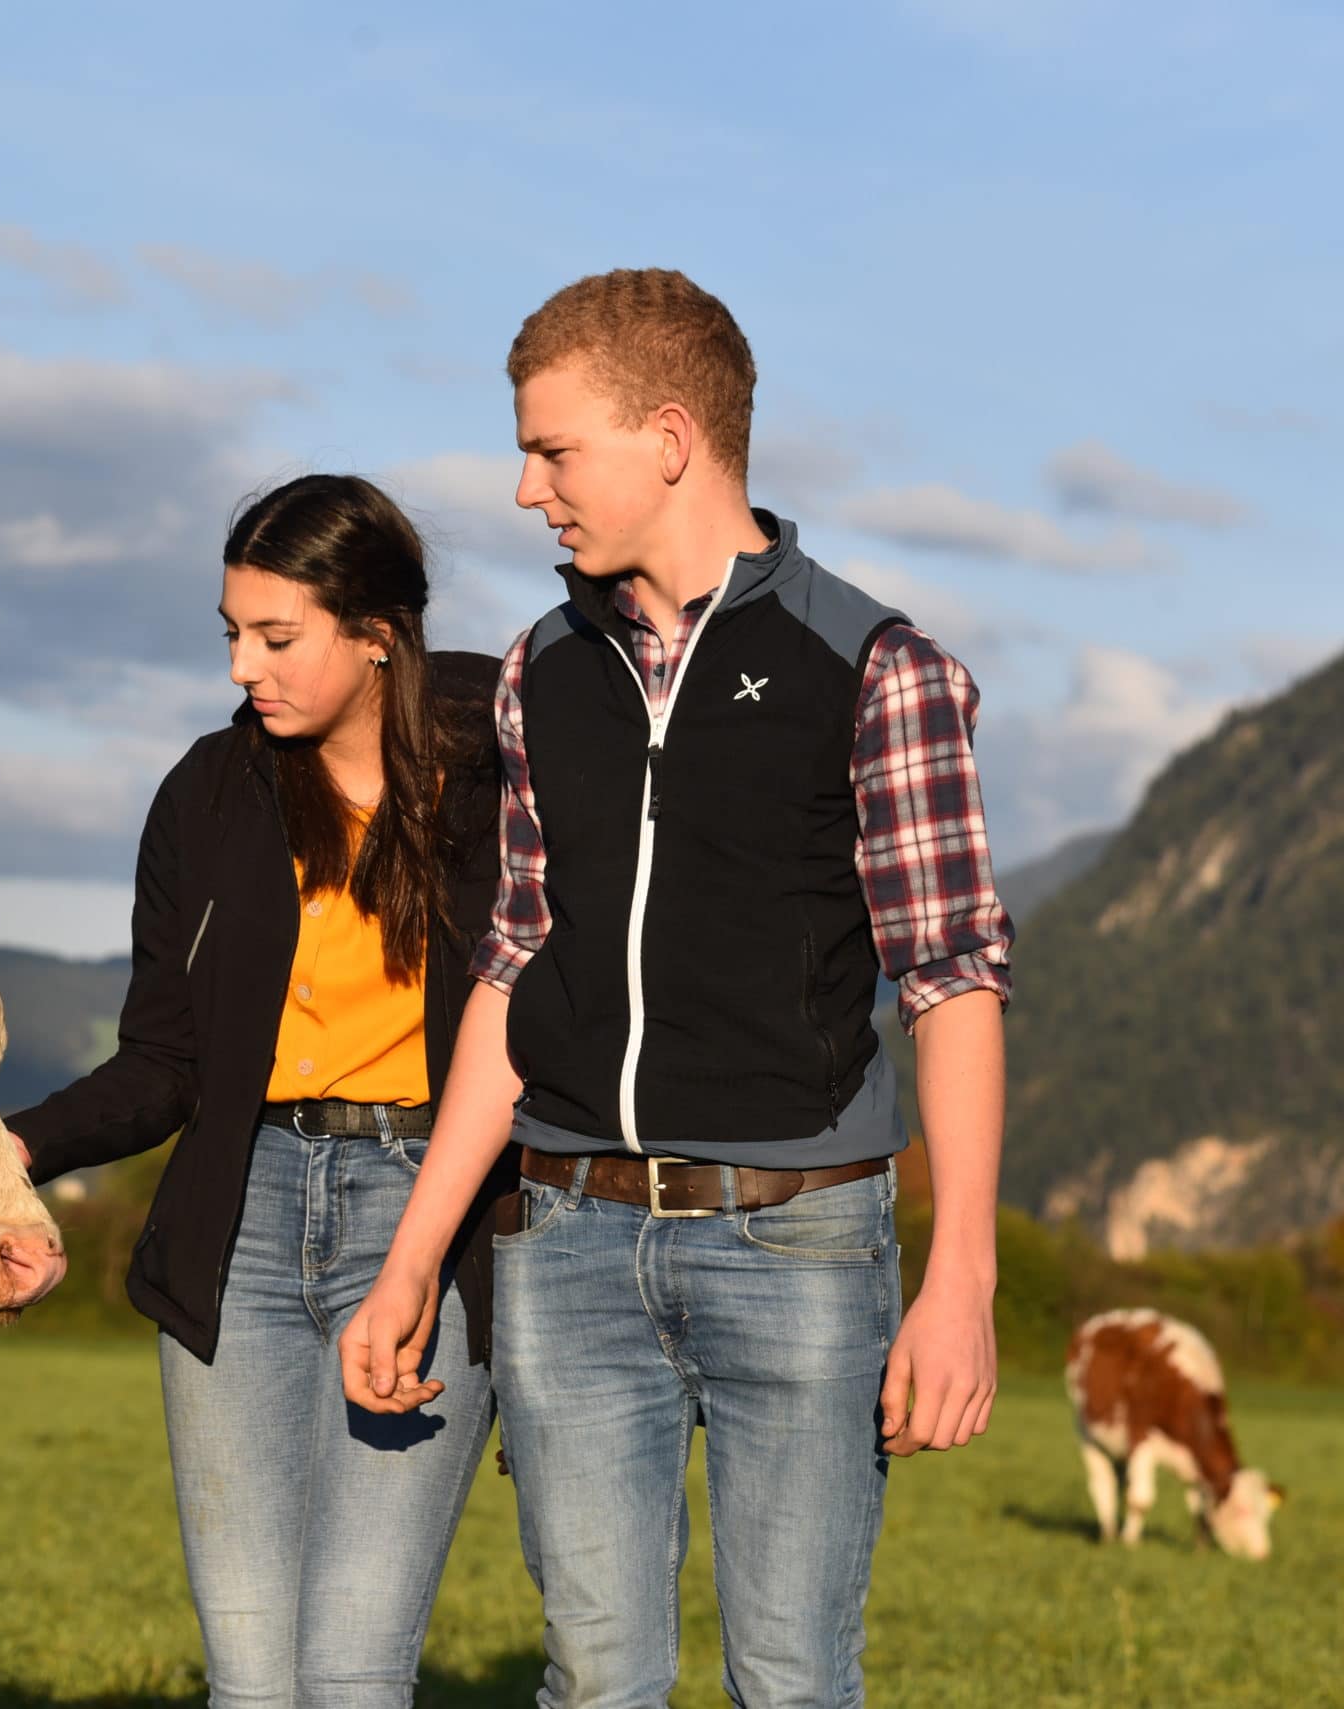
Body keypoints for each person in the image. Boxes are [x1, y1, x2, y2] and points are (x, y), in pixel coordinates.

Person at [342, 269, 1015, 1708]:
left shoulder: (876, 668)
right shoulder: (540, 672)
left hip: (801, 1248)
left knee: (788, 1677)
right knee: (592, 1682)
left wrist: (961, 1273)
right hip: (569, 1243)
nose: (528, 491)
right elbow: (512, 966)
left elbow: (952, 977)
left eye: (552, 449)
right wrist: (413, 1257)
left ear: (668, 437)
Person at [6, 473, 515, 1708]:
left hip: (429, 1222)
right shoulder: (207, 791)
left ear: (376, 634)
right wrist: (0, 1146)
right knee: (248, 1675)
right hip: (236, 1229)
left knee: (348, 1666)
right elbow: (164, 1060)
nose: (244, 665)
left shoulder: (510, 772)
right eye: (231, 633)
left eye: (275, 636)